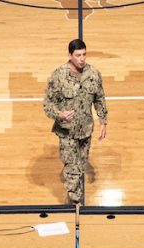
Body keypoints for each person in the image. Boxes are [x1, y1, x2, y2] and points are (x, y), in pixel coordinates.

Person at [42, 39, 107, 208]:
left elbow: (99, 99)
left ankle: (75, 192)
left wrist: (103, 121)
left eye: (84, 54)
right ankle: (74, 201)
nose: (82, 58)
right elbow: (48, 104)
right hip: (67, 131)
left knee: (81, 164)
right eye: (78, 55)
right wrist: (60, 114)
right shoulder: (59, 76)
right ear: (69, 56)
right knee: (71, 167)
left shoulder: (93, 74)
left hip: (86, 129)